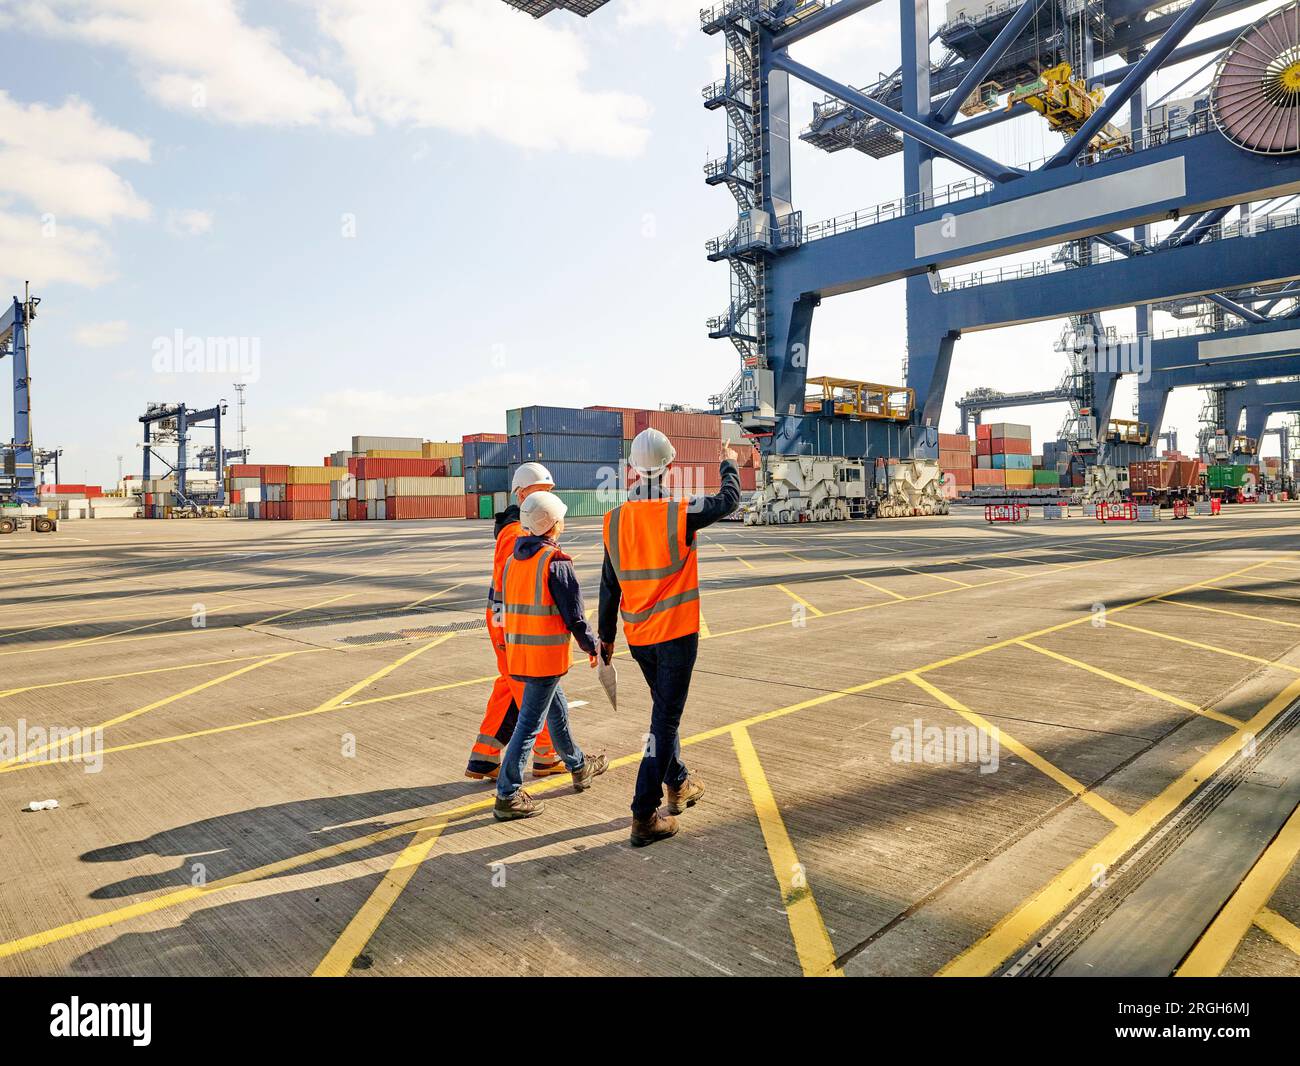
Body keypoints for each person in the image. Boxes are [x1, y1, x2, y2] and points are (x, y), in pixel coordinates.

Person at [599, 429, 740, 846]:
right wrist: (728, 461)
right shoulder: (681, 512)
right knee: (665, 720)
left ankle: (678, 783)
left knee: (664, 711)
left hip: (638, 636)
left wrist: (605, 640)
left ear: (631, 470)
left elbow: (609, 586)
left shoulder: (615, 520)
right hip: (676, 635)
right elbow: (730, 500)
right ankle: (644, 813)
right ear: (671, 467)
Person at [495, 490, 608, 820]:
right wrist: (594, 647)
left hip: (522, 655)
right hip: (544, 657)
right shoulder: (555, 562)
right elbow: (575, 617)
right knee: (529, 726)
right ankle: (507, 794)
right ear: (554, 524)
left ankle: (579, 765)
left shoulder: (515, 560)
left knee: (556, 709)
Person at [465, 462, 564, 781]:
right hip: (511, 622)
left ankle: (484, 756)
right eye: (540, 492)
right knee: (532, 690)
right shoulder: (516, 532)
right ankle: (546, 756)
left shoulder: (523, 527)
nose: (547, 499)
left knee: (511, 685)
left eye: (549, 492)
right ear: (521, 495)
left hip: (512, 621)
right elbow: (511, 586)